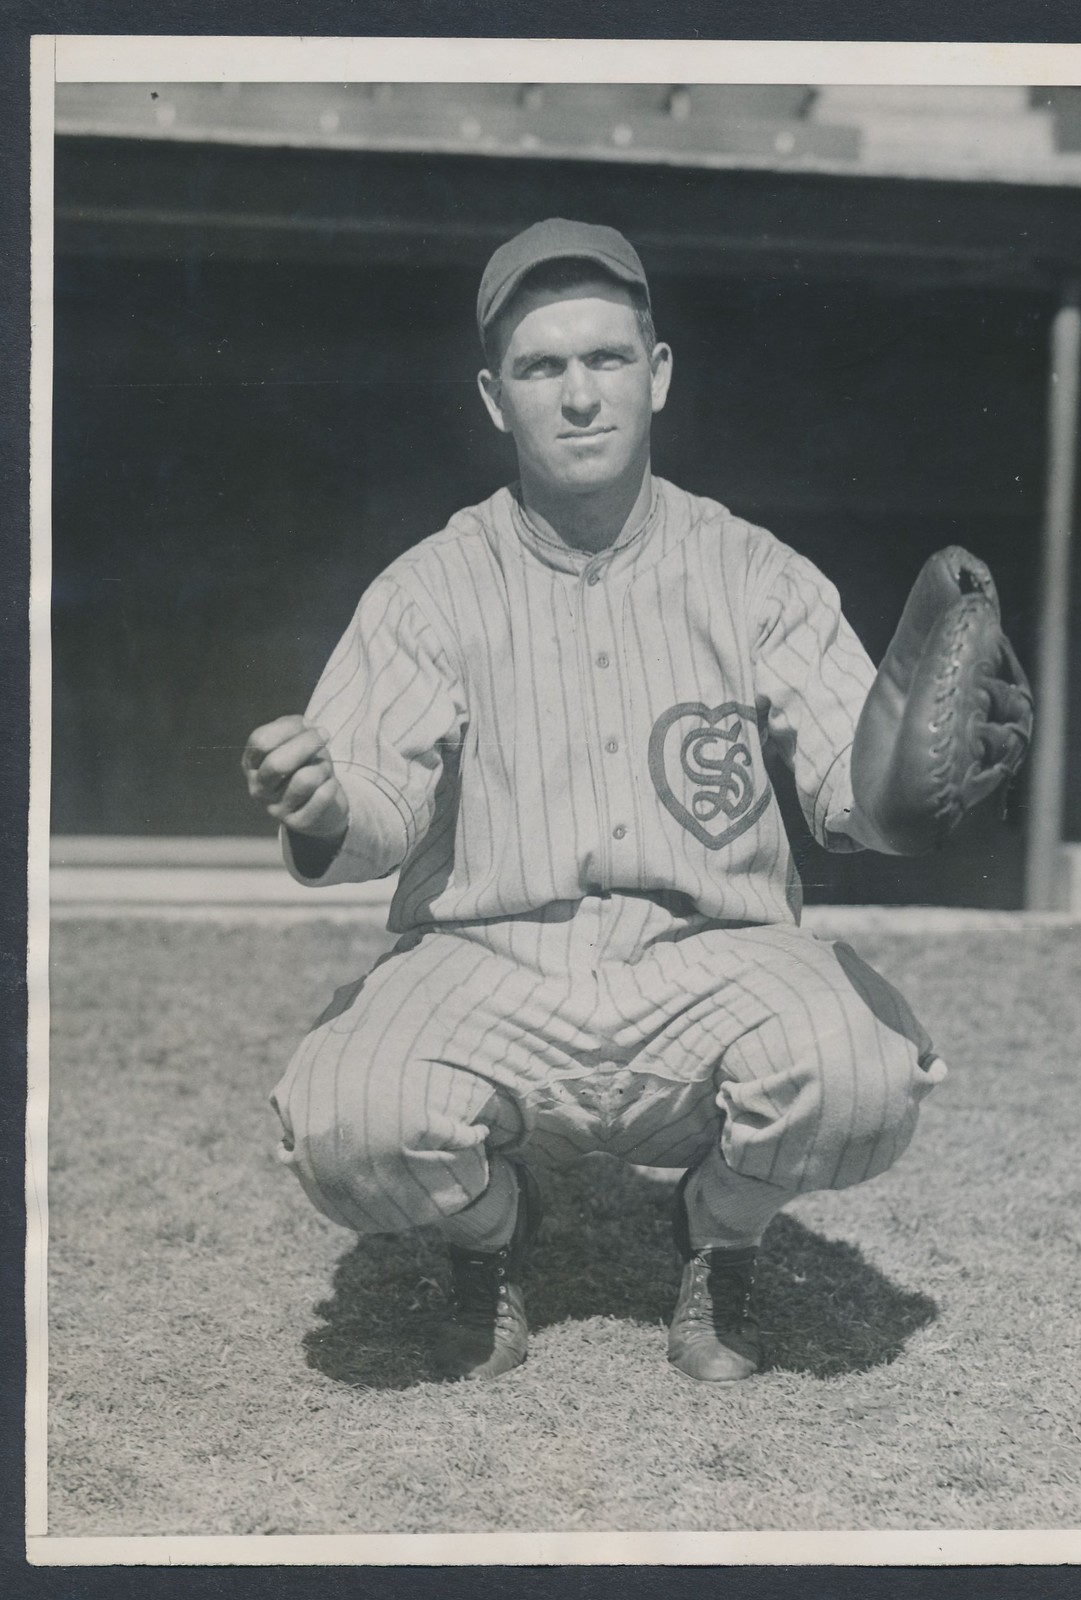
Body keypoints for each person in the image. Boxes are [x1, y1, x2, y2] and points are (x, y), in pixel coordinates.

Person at [242, 218, 1030, 1383]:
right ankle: (491, 1234)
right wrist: (316, 806)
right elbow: (375, 810)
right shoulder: (428, 588)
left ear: (655, 375)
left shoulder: (752, 570)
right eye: (540, 368)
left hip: (709, 960)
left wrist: (907, 798)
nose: (577, 396)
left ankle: (717, 1231)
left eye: (605, 360)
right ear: (494, 398)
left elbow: (844, 780)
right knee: (345, 1121)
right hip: (488, 964)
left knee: (861, 1075)